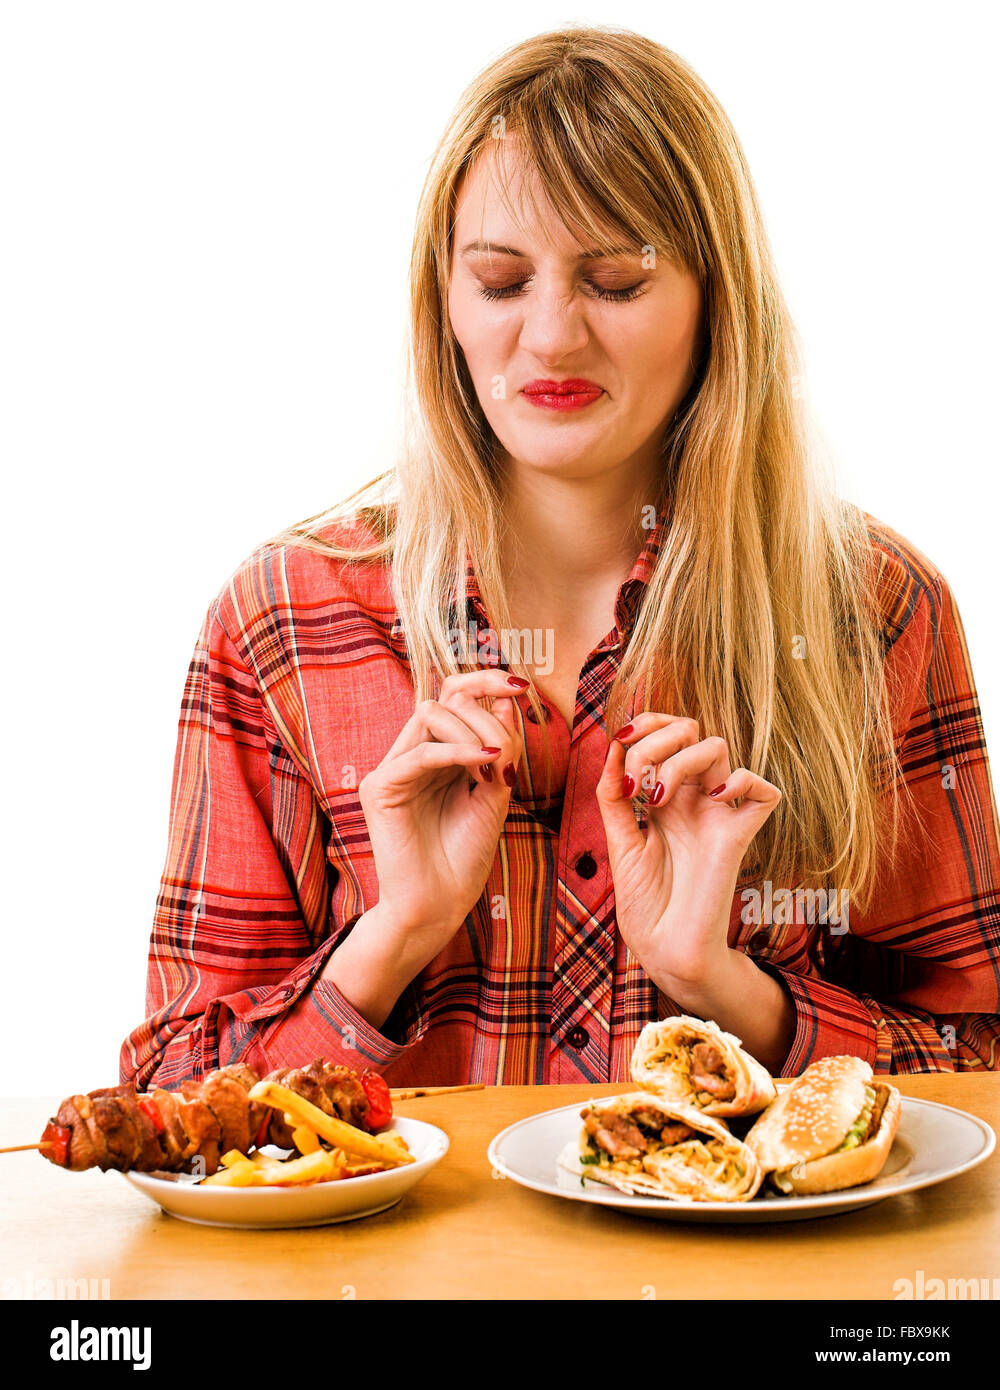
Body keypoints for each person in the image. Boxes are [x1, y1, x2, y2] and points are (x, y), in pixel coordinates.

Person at [120, 26, 1000, 1090]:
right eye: (499, 283)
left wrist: (726, 988)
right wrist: (394, 935)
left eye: (616, 282)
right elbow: (167, 1096)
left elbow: (977, 1065)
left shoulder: (874, 610)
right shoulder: (280, 619)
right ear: (441, 303)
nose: (549, 338)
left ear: (716, 303)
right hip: (394, 1268)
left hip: (747, 1267)